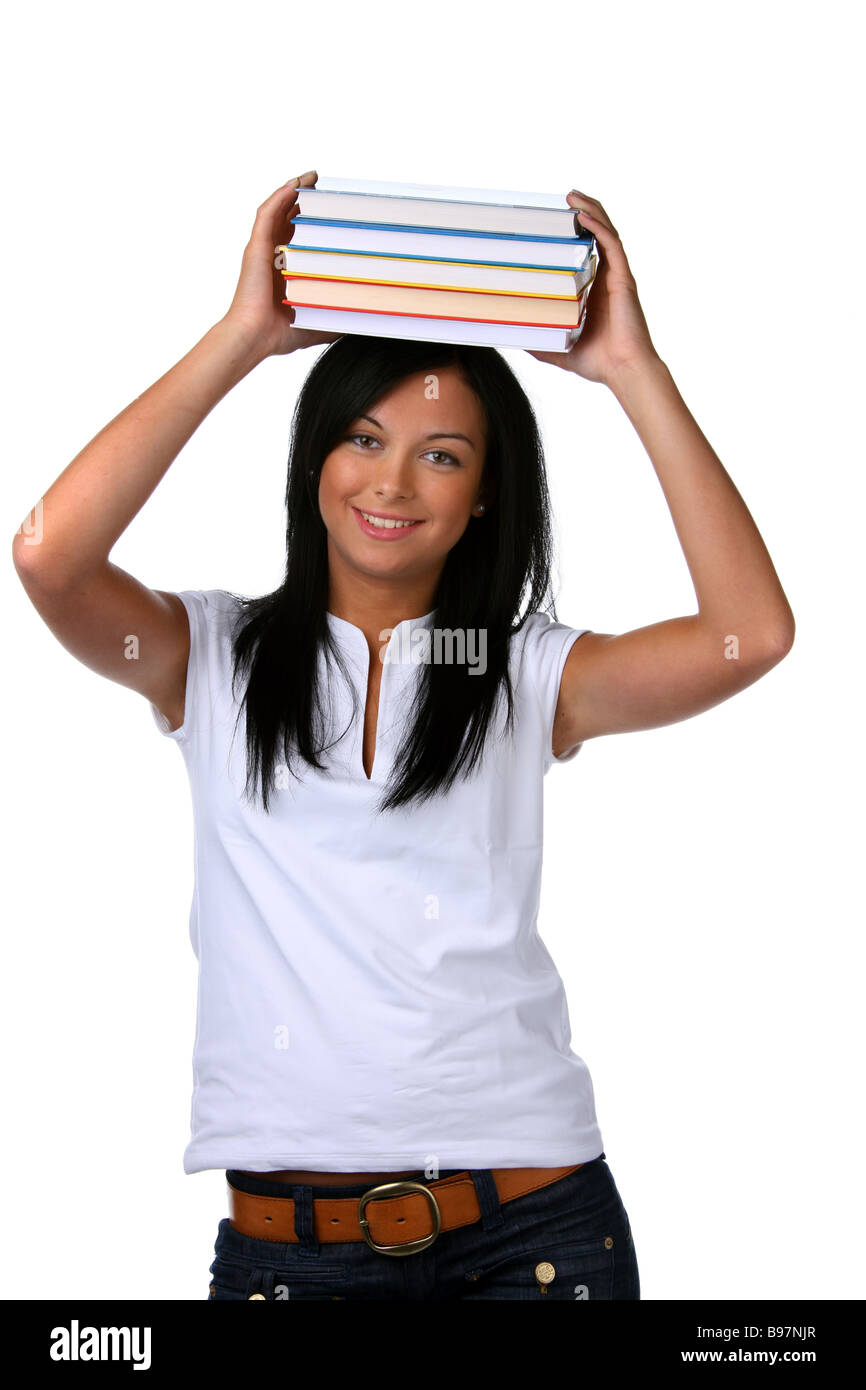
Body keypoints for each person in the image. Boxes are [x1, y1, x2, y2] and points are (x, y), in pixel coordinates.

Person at [12, 172, 795, 1301]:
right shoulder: (210, 659)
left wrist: (632, 369)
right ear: (315, 463)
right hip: (291, 1253)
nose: (391, 481)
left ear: (482, 495)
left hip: (532, 1236)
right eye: (363, 439)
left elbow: (749, 634)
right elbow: (47, 554)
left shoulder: (524, 674)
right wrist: (242, 337)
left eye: (440, 454)